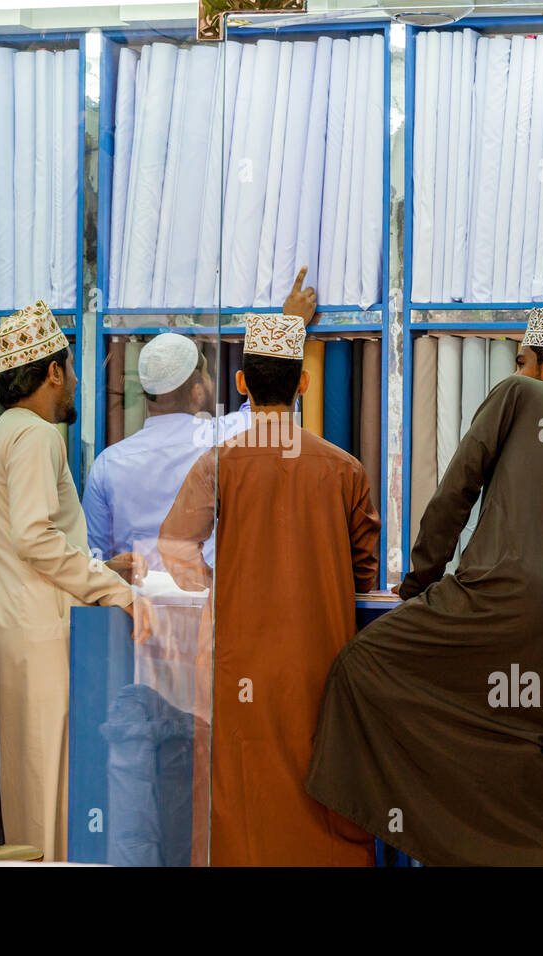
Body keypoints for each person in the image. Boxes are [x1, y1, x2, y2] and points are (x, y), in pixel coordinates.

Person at [306, 305, 543, 866]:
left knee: (362, 667)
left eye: (523, 359)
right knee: (525, 760)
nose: (518, 368)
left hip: (500, 602)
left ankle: (429, 836)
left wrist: (418, 585)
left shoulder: (520, 395)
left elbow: (455, 491)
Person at [158, 308, 380, 866]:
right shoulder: (344, 469)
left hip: (242, 663)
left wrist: (219, 589)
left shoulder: (219, 464)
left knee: (244, 790)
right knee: (324, 781)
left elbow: (175, 545)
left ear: (241, 384)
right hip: (321, 658)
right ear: (303, 382)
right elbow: (365, 573)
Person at [0, 301, 151, 861]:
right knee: (55, 804)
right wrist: (114, 591)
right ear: (52, 372)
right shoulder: (37, 436)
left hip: (24, 638)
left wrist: (98, 566)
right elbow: (32, 538)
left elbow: (31, 543)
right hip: (45, 642)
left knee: (33, 798)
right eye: (70, 369)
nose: (75, 381)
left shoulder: (3, 435)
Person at [81, 332, 248, 571]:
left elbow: (95, 561)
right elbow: (274, 408)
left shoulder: (108, 463)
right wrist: (289, 324)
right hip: (208, 601)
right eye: (208, 374)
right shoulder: (226, 437)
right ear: (197, 391)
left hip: (137, 606)